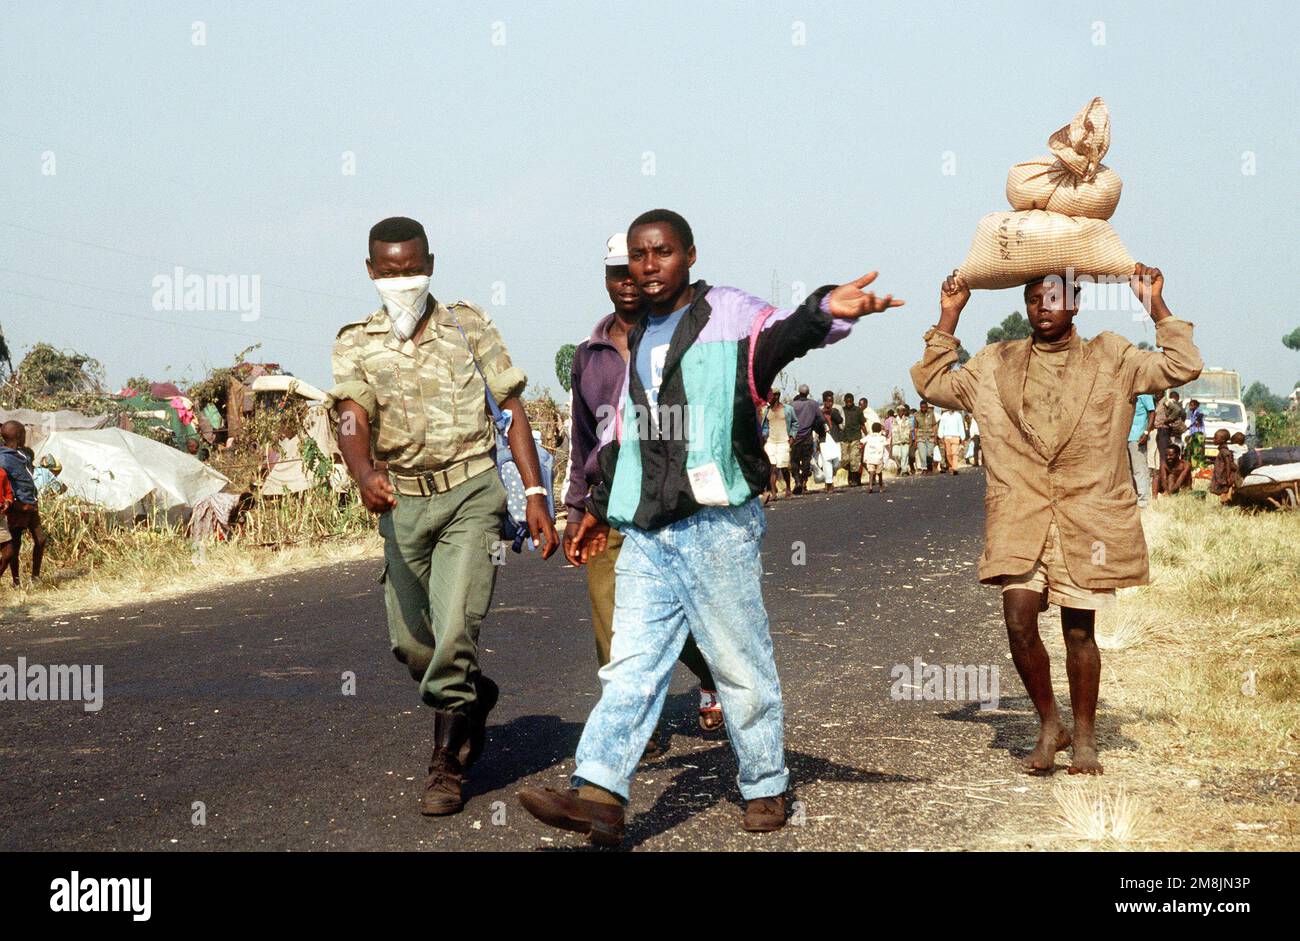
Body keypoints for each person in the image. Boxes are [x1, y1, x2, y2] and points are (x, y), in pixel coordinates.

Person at [518, 208, 903, 843]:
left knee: (738, 662)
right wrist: (591, 508)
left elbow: (780, 337)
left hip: (716, 525)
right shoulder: (635, 338)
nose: (647, 266)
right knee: (630, 666)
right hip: (647, 530)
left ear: (690, 255)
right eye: (638, 256)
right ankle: (600, 794)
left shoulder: (725, 312)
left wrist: (823, 308)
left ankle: (765, 783)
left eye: (661, 253)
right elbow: (626, 437)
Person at [912, 264, 1202, 776]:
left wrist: (1153, 302)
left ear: (1075, 305)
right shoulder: (994, 363)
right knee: (1019, 621)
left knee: (1078, 633)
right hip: (1020, 516)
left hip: (1086, 520)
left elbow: (1182, 364)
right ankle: (1051, 725)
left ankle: (1085, 737)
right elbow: (933, 383)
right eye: (1032, 300)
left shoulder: (1112, 358)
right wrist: (950, 314)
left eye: (1052, 298)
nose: (1041, 307)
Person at [330, 215, 559, 817]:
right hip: (402, 500)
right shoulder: (356, 340)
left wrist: (535, 495)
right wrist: (363, 474)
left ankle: (445, 766)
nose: (403, 280)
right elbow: (351, 415)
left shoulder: (468, 324)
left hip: (472, 494)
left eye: (414, 269)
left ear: (430, 262)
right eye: (390, 271)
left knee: (455, 629)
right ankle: (474, 696)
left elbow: (511, 409)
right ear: (371, 270)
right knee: (411, 644)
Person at [564, 232, 723, 739]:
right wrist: (573, 509)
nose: (628, 283)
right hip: (605, 508)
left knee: (684, 620)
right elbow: (582, 438)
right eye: (617, 274)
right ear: (607, 280)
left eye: (634, 272)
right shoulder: (588, 355)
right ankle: (635, 725)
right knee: (611, 623)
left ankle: (716, 676)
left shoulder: (683, 336)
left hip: (673, 506)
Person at [0, 422, 44, 585]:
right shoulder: (3, 458)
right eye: (24, 434)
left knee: (40, 540)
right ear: (19, 436)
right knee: (14, 546)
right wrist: (13, 503)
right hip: (17, 507)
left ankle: (35, 578)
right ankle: (16, 581)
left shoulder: (25, 453)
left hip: (31, 504)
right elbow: (4, 483)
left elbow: (28, 474)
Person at [789, 384, 825, 494]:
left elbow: (788, 421)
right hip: (807, 437)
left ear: (799, 393)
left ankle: (797, 481)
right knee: (806, 461)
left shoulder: (792, 405)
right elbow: (820, 419)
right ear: (808, 393)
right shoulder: (813, 404)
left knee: (794, 461)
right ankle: (804, 481)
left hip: (795, 438)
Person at [761, 389, 795, 500]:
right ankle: (773, 492)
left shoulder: (788, 409)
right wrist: (764, 436)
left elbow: (795, 423)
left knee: (783, 467)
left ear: (777, 396)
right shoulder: (767, 410)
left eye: (772, 396)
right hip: (771, 441)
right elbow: (765, 426)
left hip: (783, 441)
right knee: (773, 467)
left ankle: (788, 488)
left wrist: (792, 437)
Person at [1127, 389, 1156, 508]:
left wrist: (1146, 432)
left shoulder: (1145, 393)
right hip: (1125, 436)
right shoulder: (1129, 391)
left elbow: (1152, 413)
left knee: (1139, 468)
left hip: (1137, 436)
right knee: (1128, 469)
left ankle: (1143, 500)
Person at [840, 392, 866, 486]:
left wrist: (867, 436)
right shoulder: (841, 411)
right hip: (844, 438)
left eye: (850, 402)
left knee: (854, 459)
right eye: (847, 402)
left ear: (853, 401)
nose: (849, 403)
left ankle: (853, 478)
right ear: (845, 401)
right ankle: (851, 474)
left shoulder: (858, 410)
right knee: (845, 460)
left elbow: (862, 424)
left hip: (855, 437)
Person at [1208, 428, 1239, 502]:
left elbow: (1228, 464)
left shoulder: (1224, 451)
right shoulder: (1222, 450)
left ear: (1222, 440)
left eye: (1215, 438)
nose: (1213, 440)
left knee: (1224, 488)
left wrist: (1228, 476)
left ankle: (1227, 499)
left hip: (1224, 474)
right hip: (1222, 473)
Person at [862, 421, 889, 493]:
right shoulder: (882, 438)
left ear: (872, 429)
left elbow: (861, 441)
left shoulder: (869, 436)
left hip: (870, 458)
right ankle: (881, 487)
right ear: (880, 429)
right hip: (879, 458)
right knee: (879, 473)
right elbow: (886, 445)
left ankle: (870, 486)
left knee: (871, 472)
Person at [938, 406, 966, 475]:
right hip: (946, 437)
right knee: (948, 454)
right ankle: (952, 466)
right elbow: (941, 426)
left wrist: (963, 438)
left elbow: (961, 426)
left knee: (955, 453)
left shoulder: (958, 415)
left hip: (956, 437)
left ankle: (955, 468)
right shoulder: (944, 415)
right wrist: (940, 436)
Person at [913, 401, 938, 475]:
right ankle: (924, 468)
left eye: (925, 407)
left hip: (930, 436)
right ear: (920, 407)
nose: (923, 409)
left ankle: (930, 467)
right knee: (922, 453)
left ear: (927, 407)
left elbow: (934, 425)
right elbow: (916, 428)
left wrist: (935, 437)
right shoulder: (916, 415)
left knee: (929, 453)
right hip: (920, 437)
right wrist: (916, 440)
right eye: (922, 407)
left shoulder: (931, 413)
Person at [890, 404, 913, 475]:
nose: (900, 412)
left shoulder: (907, 420)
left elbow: (910, 431)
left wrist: (911, 441)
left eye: (902, 410)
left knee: (905, 456)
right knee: (895, 455)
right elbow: (892, 432)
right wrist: (891, 442)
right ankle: (899, 467)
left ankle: (904, 470)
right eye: (899, 410)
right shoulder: (894, 421)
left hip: (905, 441)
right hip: (896, 441)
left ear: (904, 411)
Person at [1184, 398, 1205, 466]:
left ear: (1196, 406)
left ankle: (1197, 465)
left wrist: (1198, 420)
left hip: (1198, 434)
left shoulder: (1198, 411)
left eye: (1192, 405)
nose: (1190, 407)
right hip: (1193, 433)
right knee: (1191, 450)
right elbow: (1193, 422)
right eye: (1190, 405)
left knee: (1197, 451)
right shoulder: (1191, 413)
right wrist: (1189, 427)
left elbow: (1201, 415)